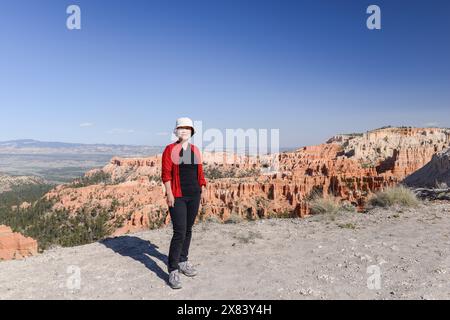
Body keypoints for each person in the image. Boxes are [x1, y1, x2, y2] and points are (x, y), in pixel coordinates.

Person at [161, 117, 207, 289]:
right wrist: (169, 194)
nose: (184, 130)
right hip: (178, 196)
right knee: (179, 231)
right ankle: (172, 270)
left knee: (188, 229)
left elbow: (200, 172)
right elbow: (166, 174)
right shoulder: (170, 149)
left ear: (192, 132)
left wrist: (203, 189)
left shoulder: (195, 150)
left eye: (188, 128)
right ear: (176, 131)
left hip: (194, 194)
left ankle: (183, 261)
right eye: (181, 128)